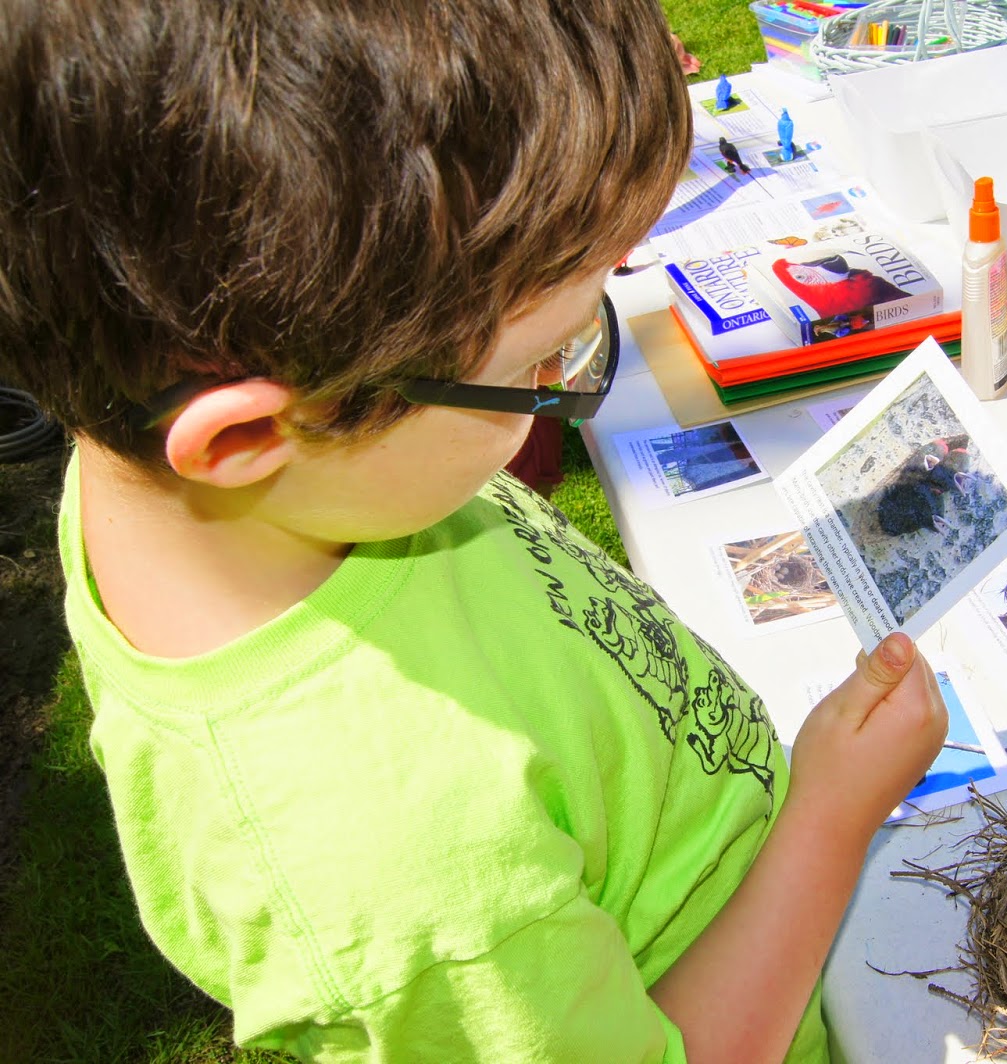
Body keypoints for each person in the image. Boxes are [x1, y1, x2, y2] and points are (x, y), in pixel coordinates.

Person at [0, 3, 948, 1062]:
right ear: (249, 436)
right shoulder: (400, 870)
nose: (558, 386)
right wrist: (829, 809)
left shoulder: (222, 476)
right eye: (534, 365)